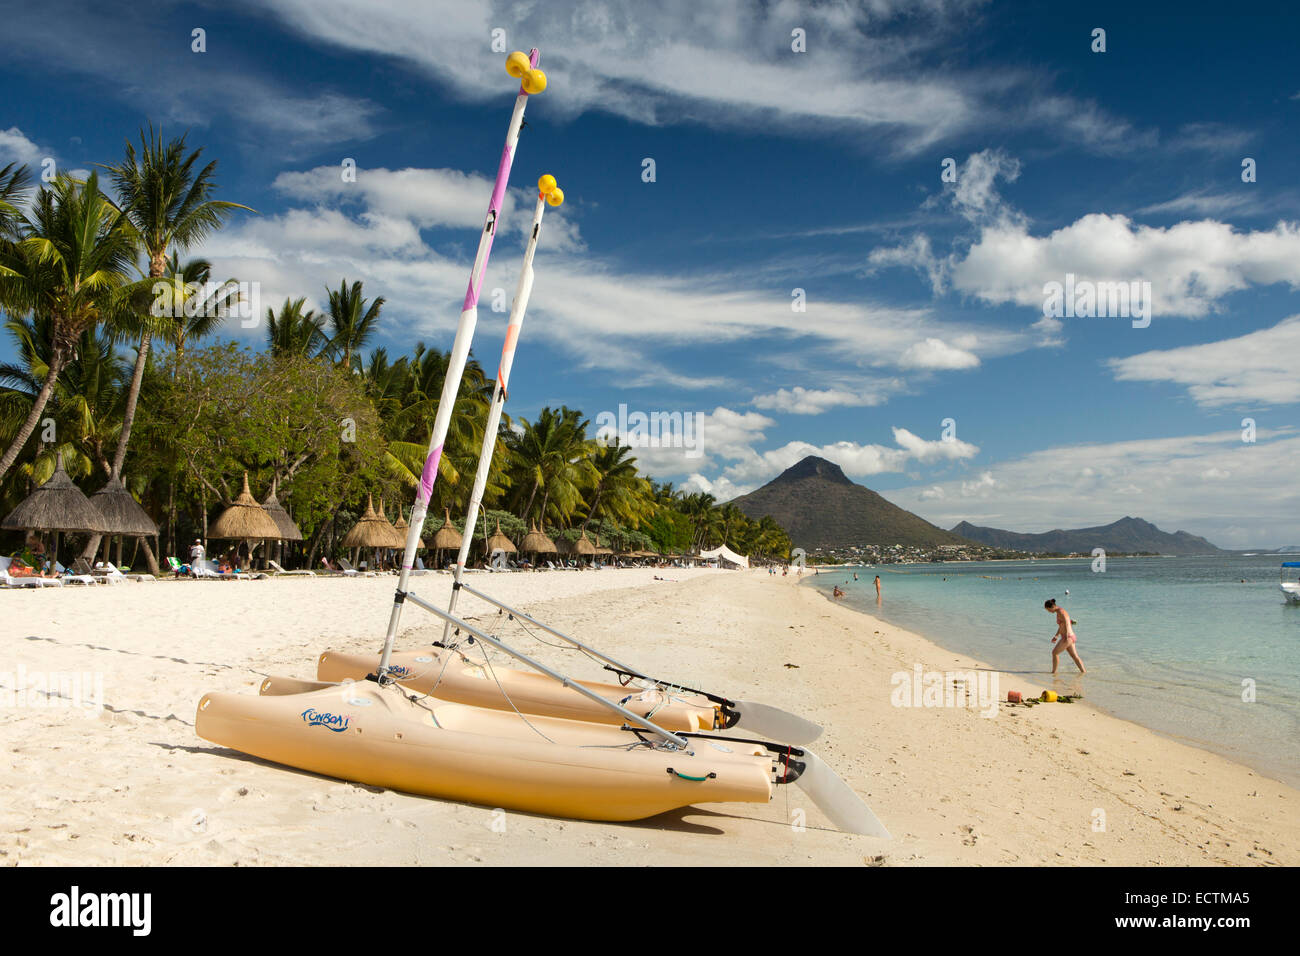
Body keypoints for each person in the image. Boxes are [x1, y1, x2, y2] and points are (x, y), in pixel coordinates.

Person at [1045, 598, 1086, 674]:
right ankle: (1083, 672)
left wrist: (1066, 636)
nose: (1049, 612)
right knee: (1074, 656)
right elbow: (1061, 626)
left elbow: (1067, 623)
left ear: (1052, 607)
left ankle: (1053, 673)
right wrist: (1056, 636)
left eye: (1048, 610)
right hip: (1071, 636)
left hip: (1068, 637)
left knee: (1054, 653)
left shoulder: (1061, 612)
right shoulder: (1059, 612)